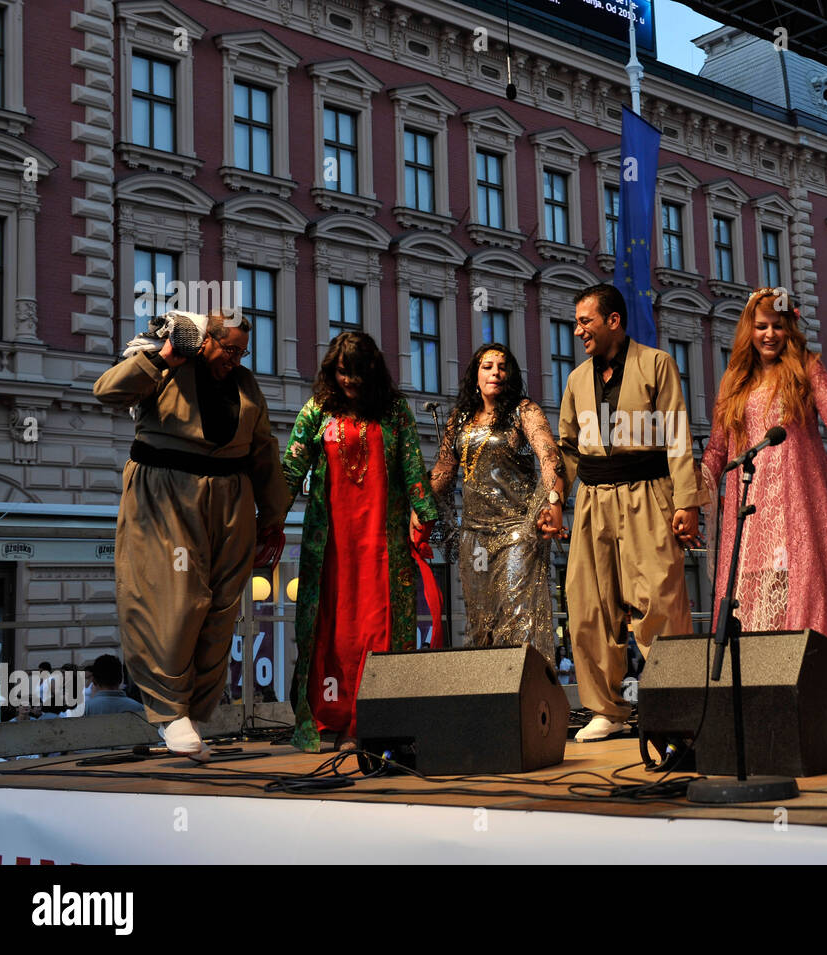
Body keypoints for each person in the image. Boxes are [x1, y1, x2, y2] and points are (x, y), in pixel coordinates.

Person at [94, 310, 288, 761]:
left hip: (230, 501)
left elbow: (263, 448)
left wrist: (273, 515)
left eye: (242, 352)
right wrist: (162, 358)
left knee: (220, 610)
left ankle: (195, 712)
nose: (235, 360)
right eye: (229, 349)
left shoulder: (245, 383)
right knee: (175, 602)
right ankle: (168, 709)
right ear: (205, 341)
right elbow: (107, 391)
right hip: (168, 494)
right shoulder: (166, 367)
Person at [703, 288, 827, 734]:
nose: (769, 334)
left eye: (778, 326)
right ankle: (758, 704)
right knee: (754, 598)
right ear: (749, 330)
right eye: (761, 326)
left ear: (790, 328)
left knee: (807, 594)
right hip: (751, 511)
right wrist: (696, 486)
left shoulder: (807, 367)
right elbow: (717, 448)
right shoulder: (734, 380)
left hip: (800, 503)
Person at [279, 331, 441, 753]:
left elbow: (412, 465)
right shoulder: (317, 409)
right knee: (334, 630)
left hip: (383, 544)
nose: (348, 380)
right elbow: (292, 467)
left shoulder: (395, 412)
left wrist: (424, 515)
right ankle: (334, 716)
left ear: (373, 373)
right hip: (331, 544)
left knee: (377, 628)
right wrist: (269, 518)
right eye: (341, 371)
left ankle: (373, 719)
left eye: (356, 372)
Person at [559, 284, 706, 742]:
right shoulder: (576, 380)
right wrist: (555, 501)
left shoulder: (656, 364)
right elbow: (567, 447)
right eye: (577, 322)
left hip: (647, 493)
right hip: (592, 499)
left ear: (613, 321)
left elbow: (677, 434)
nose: (578, 330)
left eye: (585, 321)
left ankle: (678, 705)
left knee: (660, 602)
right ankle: (606, 708)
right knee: (588, 606)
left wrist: (687, 502)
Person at [429, 343, 565, 657]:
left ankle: (524, 683)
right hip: (475, 536)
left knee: (518, 614)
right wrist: (418, 506)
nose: (496, 373)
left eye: (502, 367)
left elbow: (550, 457)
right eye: (487, 367)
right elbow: (444, 471)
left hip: (517, 532)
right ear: (475, 377)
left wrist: (553, 503)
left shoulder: (524, 411)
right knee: (481, 622)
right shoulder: (460, 419)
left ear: (511, 375)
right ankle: (488, 686)